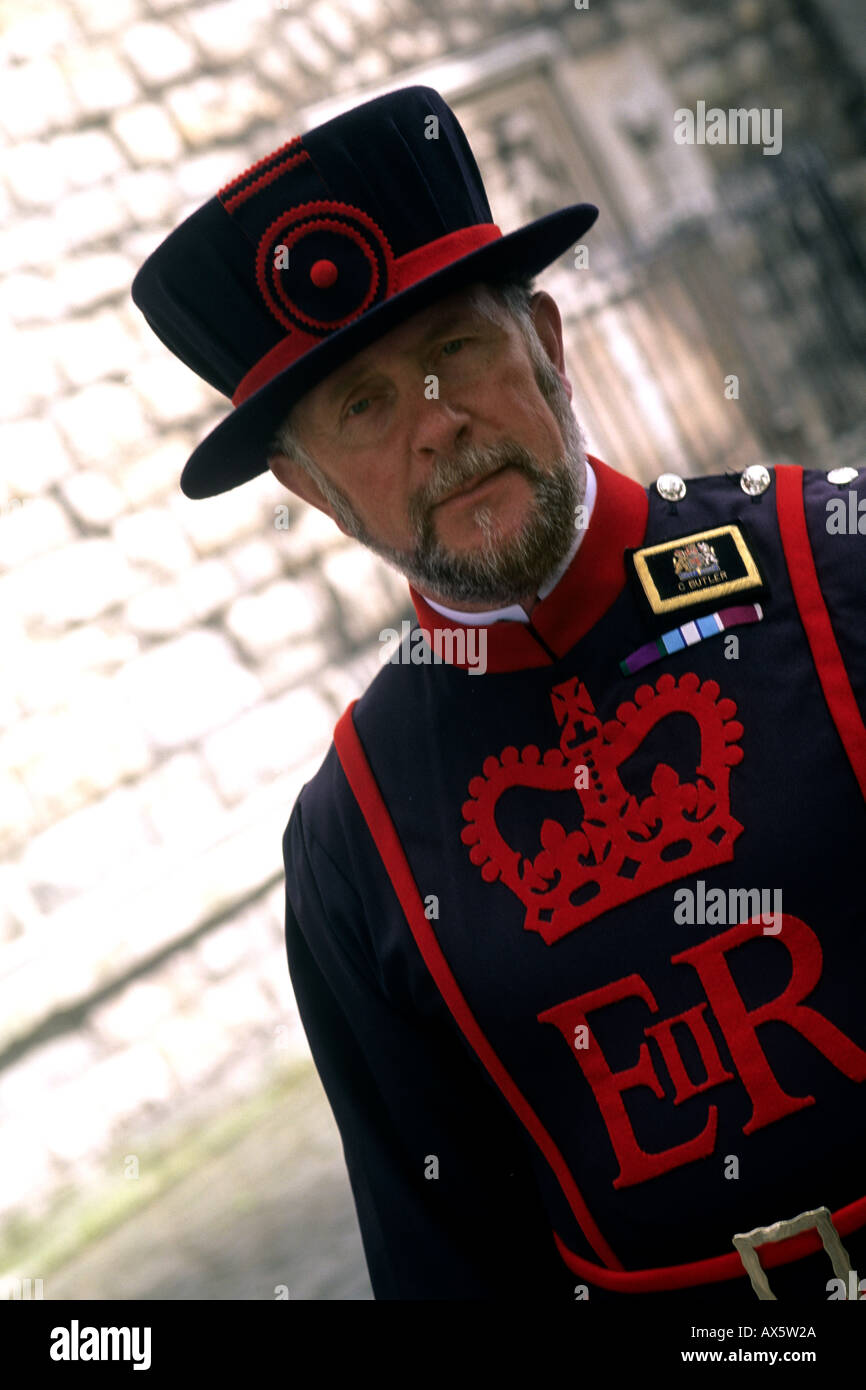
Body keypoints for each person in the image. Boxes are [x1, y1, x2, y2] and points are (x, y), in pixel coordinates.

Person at [132, 85, 866, 1302]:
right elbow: (447, 1265)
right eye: (365, 407)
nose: (437, 426)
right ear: (314, 491)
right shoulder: (350, 840)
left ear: (544, 342)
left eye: (452, 353)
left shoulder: (832, 559)